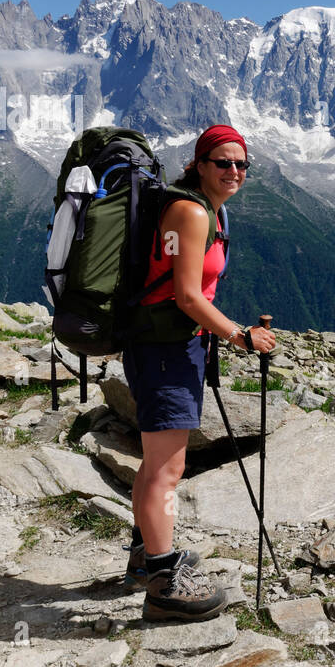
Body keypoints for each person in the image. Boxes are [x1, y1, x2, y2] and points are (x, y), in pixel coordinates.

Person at [121, 123, 276, 621]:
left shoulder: (204, 206)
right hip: (165, 349)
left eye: (241, 164)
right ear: (199, 164)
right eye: (223, 162)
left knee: (155, 463)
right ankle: (164, 585)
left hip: (167, 346)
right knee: (168, 470)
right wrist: (240, 335)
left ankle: (147, 556)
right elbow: (186, 296)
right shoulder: (190, 212)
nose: (234, 171)